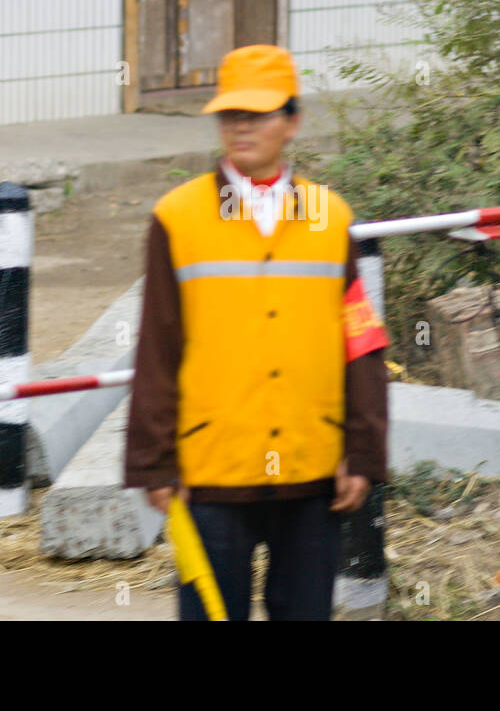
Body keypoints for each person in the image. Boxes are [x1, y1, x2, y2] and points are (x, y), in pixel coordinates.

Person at [123, 44, 389, 621]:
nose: (241, 126)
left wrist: (362, 453)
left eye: (258, 113)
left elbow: (361, 343)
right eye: (230, 114)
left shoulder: (332, 218)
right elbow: (157, 346)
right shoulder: (178, 218)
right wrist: (154, 460)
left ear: (292, 122)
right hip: (211, 473)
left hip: (312, 470)